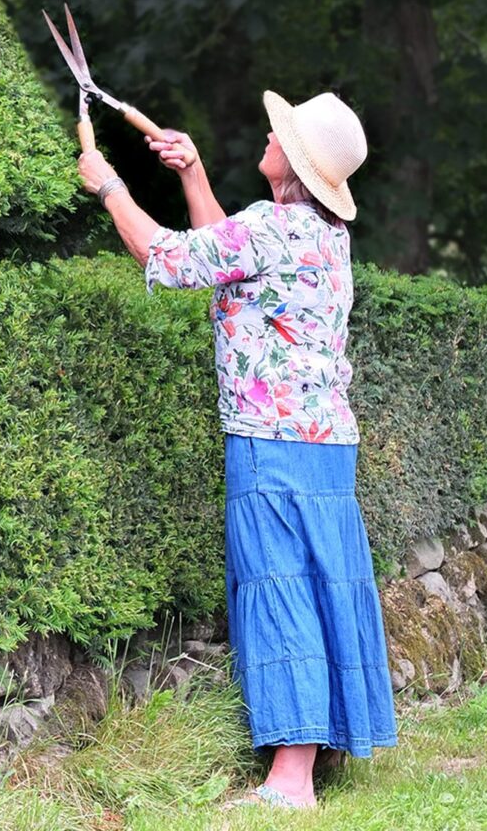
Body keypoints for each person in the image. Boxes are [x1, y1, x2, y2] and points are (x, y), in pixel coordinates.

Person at [77, 90, 398, 810]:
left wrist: (110, 187)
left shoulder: (268, 227)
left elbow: (169, 258)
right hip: (326, 448)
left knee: (281, 595)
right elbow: (234, 265)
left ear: (296, 165)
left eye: (279, 134)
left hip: (270, 446)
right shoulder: (320, 236)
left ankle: (290, 783)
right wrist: (193, 175)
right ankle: (310, 761)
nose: (267, 134)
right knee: (317, 595)